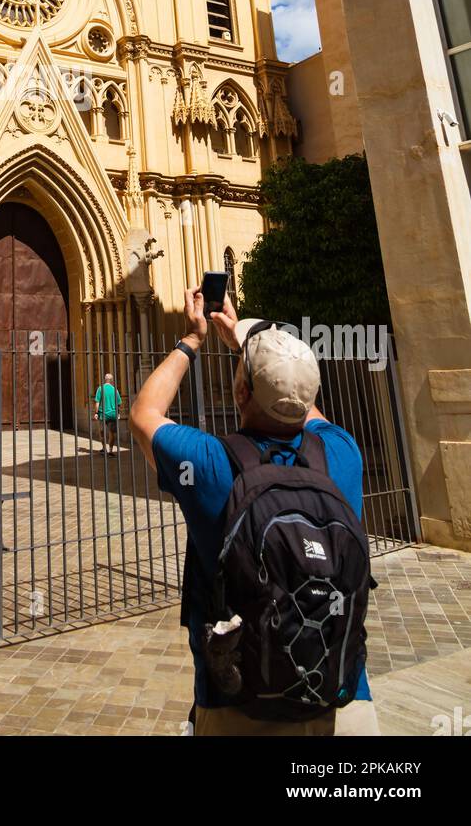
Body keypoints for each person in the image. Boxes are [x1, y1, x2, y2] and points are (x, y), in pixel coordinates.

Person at [129, 287, 379, 737]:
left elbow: (145, 413)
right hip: (344, 704)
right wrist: (247, 342)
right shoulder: (343, 454)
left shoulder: (212, 465)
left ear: (240, 390)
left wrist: (192, 339)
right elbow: (299, 400)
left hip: (239, 708)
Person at [94, 373, 122, 454]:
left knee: (102, 432)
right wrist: (118, 413)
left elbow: (97, 402)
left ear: (105, 379)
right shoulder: (115, 389)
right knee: (112, 433)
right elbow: (119, 403)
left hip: (102, 414)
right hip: (113, 414)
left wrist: (96, 413)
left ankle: (104, 448)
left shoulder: (100, 389)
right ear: (112, 380)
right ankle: (110, 450)